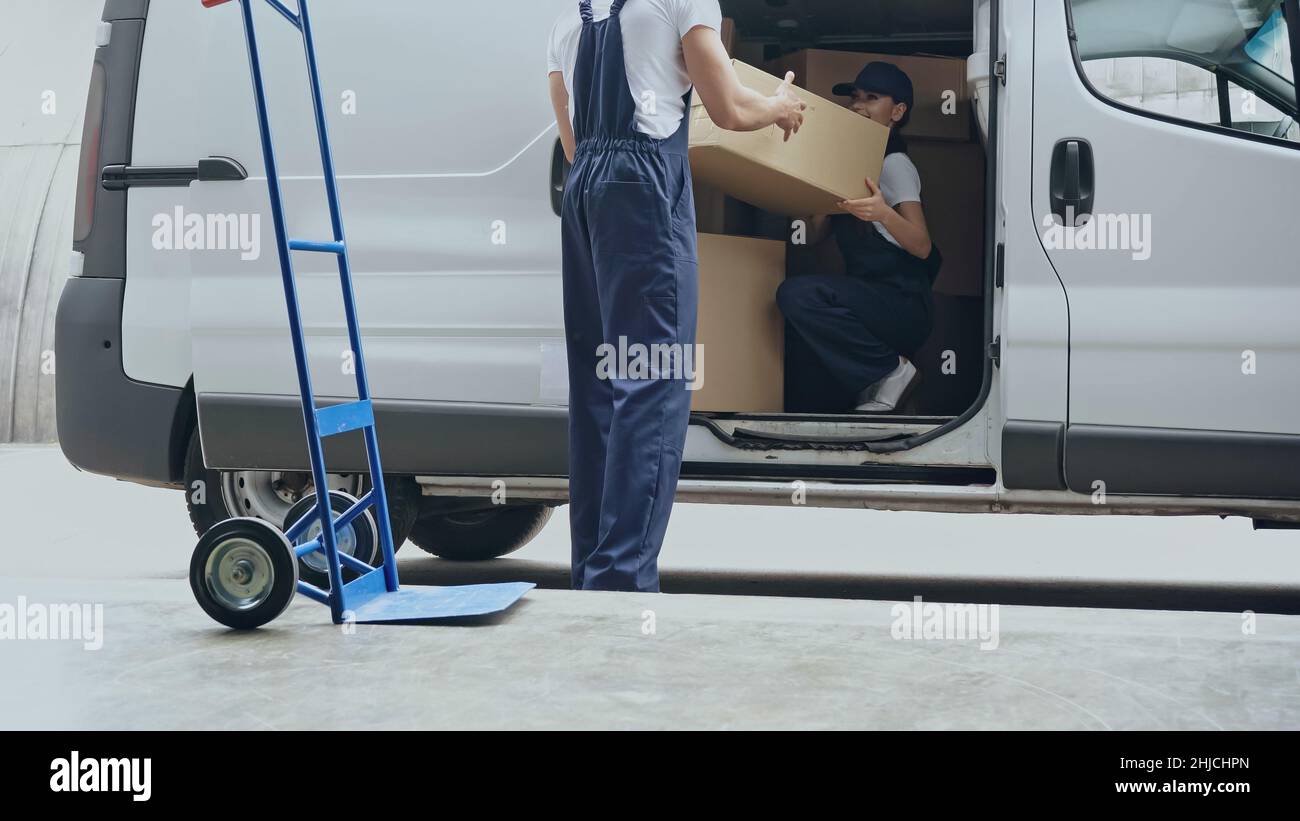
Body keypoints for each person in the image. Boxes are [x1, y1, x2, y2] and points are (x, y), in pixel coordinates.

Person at [547, 0, 805, 591]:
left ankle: (594, 570)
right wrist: (781, 106)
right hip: (641, 188)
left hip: (586, 186)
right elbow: (731, 107)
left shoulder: (568, 12)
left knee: (599, 389)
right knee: (653, 381)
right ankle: (622, 579)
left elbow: (569, 138)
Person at [777, 61, 941, 415]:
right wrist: (820, 193)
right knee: (796, 306)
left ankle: (891, 371)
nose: (858, 106)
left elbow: (922, 245)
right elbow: (812, 239)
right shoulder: (852, 159)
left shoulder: (894, 164)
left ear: (897, 111)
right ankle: (877, 378)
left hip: (903, 304)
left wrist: (883, 212)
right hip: (869, 299)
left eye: (872, 98)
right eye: (855, 98)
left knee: (798, 294)